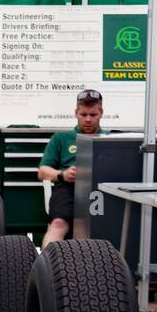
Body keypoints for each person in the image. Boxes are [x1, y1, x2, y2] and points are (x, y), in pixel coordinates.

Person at [37, 89, 105, 244]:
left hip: (103, 190)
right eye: (83, 115)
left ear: (101, 112)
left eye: (93, 115)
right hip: (68, 188)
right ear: (76, 113)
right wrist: (63, 175)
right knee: (57, 224)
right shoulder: (61, 138)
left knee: (95, 227)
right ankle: (47, 266)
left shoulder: (111, 138)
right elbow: (42, 172)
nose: (88, 119)